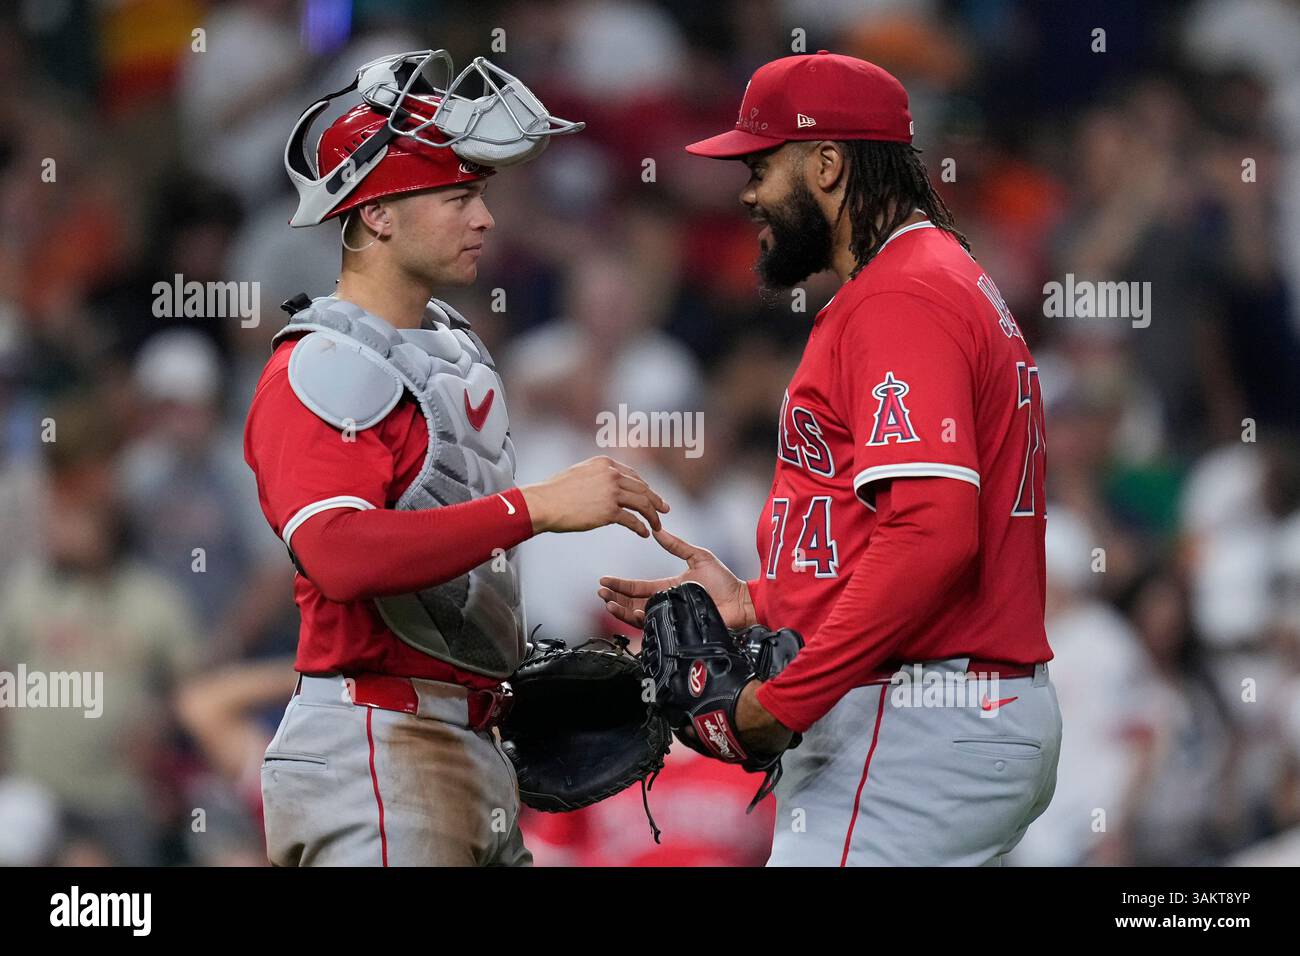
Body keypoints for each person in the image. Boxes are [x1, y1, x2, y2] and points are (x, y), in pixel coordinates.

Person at [599, 52, 1060, 866]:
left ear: (825, 162)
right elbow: (894, 526)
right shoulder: (931, 280)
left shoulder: (902, 294)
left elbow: (932, 533)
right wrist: (762, 598)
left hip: (913, 715)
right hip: (951, 710)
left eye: (760, 163)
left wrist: (781, 703)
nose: (746, 192)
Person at [245, 49, 668, 867]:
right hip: (376, 740)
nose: (486, 219)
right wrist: (535, 508)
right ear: (376, 215)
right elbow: (336, 554)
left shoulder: (451, 350)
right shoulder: (320, 362)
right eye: (458, 195)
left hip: (462, 742)